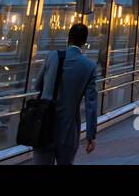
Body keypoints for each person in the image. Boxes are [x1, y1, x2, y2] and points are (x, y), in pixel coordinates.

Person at [32, 23, 98, 164]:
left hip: (44, 126)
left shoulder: (52, 56)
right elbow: (90, 104)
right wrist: (90, 136)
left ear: (69, 39)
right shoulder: (90, 66)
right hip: (68, 130)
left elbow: (37, 85)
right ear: (84, 42)